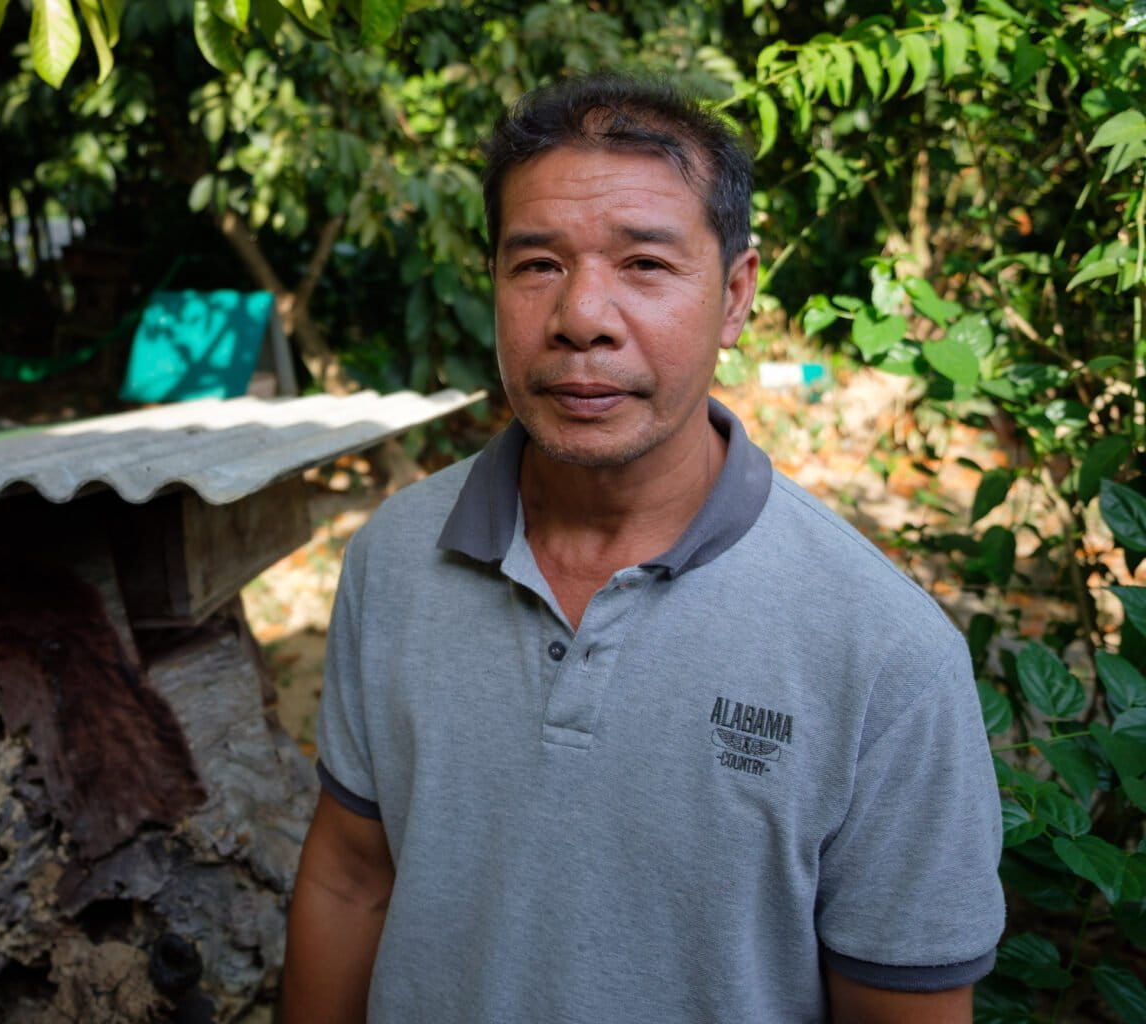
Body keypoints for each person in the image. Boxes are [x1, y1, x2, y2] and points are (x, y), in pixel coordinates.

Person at [282, 74, 1005, 1024]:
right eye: (537, 264)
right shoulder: (394, 559)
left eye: (646, 265)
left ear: (736, 295)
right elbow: (350, 880)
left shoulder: (885, 654)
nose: (582, 316)